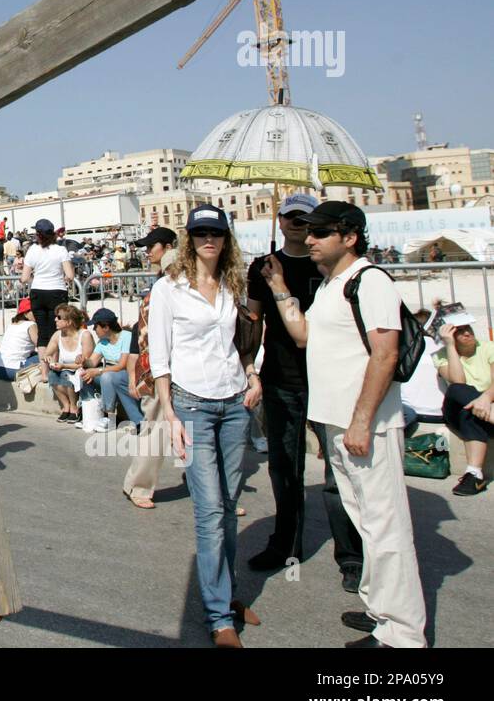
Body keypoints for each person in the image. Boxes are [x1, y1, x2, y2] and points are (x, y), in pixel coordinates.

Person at [262, 200, 426, 648]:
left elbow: (386, 354)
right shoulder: (336, 284)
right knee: (365, 519)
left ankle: (402, 635)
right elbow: (303, 334)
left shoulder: (371, 282)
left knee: (386, 527)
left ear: (349, 236)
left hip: (366, 427)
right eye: (307, 231)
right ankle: (381, 610)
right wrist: (278, 285)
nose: (309, 239)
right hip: (338, 424)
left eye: (320, 232)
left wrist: (359, 421)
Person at [149, 204, 262, 647]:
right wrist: (170, 413)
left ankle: (228, 596)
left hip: (235, 400)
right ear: (189, 238)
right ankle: (218, 616)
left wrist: (253, 376)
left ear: (225, 238)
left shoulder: (234, 284)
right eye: (200, 233)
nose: (208, 240)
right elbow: (160, 356)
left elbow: (242, 343)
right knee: (210, 509)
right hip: (192, 404)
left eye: (216, 232)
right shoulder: (168, 289)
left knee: (229, 502)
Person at [244, 193, 360, 574]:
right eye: (290, 217)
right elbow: (254, 321)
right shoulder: (262, 267)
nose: (297, 224)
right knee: (283, 467)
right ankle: (286, 545)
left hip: (327, 379)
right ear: (279, 221)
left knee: (336, 473)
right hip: (281, 379)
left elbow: (307, 330)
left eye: (306, 219)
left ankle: (351, 555)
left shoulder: (328, 265)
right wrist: (248, 366)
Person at [122, 226, 177, 508]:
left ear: (167, 247)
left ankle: (213, 490)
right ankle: (139, 487)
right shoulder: (159, 282)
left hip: (176, 364)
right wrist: (134, 372)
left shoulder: (175, 281)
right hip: (158, 368)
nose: (147, 252)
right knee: (155, 428)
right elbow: (139, 332)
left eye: (151, 247)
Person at [432, 312, 493, 496]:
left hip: (484, 408)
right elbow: (458, 382)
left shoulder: (488, 347)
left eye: (469, 329)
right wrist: (450, 346)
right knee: (457, 390)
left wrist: (485, 398)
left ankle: (473, 474)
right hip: (456, 409)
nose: (467, 333)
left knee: (469, 413)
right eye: (460, 331)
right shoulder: (441, 355)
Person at [20, 219, 74, 352]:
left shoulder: (32, 250)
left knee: (42, 334)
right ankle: (54, 364)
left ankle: (44, 371)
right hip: (57, 291)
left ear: (38, 234)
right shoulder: (61, 250)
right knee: (55, 331)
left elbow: (24, 278)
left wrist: (35, 276)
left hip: (38, 291)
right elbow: (70, 275)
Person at [85, 308, 138, 427]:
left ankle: (109, 416)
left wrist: (98, 371)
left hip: (125, 374)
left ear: (106, 327)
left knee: (106, 377)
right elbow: (92, 362)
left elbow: (122, 365)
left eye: (95, 326)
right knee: (83, 374)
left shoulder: (126, 337)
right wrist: (84, 361)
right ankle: (86, 413)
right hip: (108, 373)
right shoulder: (102, 342)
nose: (93, 329)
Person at [43, 303, 93, 423]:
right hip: (65, 368)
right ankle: (66, 405)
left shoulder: (84, 335)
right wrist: (49, 358)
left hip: (82, 370)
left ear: (69, 322)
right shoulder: (57, 335)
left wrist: (64, 366)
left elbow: (87, 363)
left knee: (67, 374)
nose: (55, 319)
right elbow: (47, 353)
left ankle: (74, 407)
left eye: (59, 317)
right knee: (52, 375)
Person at [0, 299, 38, 381]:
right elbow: (40, 346)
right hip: (13, 370)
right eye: (35, 310)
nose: (38, 313)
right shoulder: (31, 325)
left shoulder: (11, 324)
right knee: (45, 357)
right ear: (25, 313)